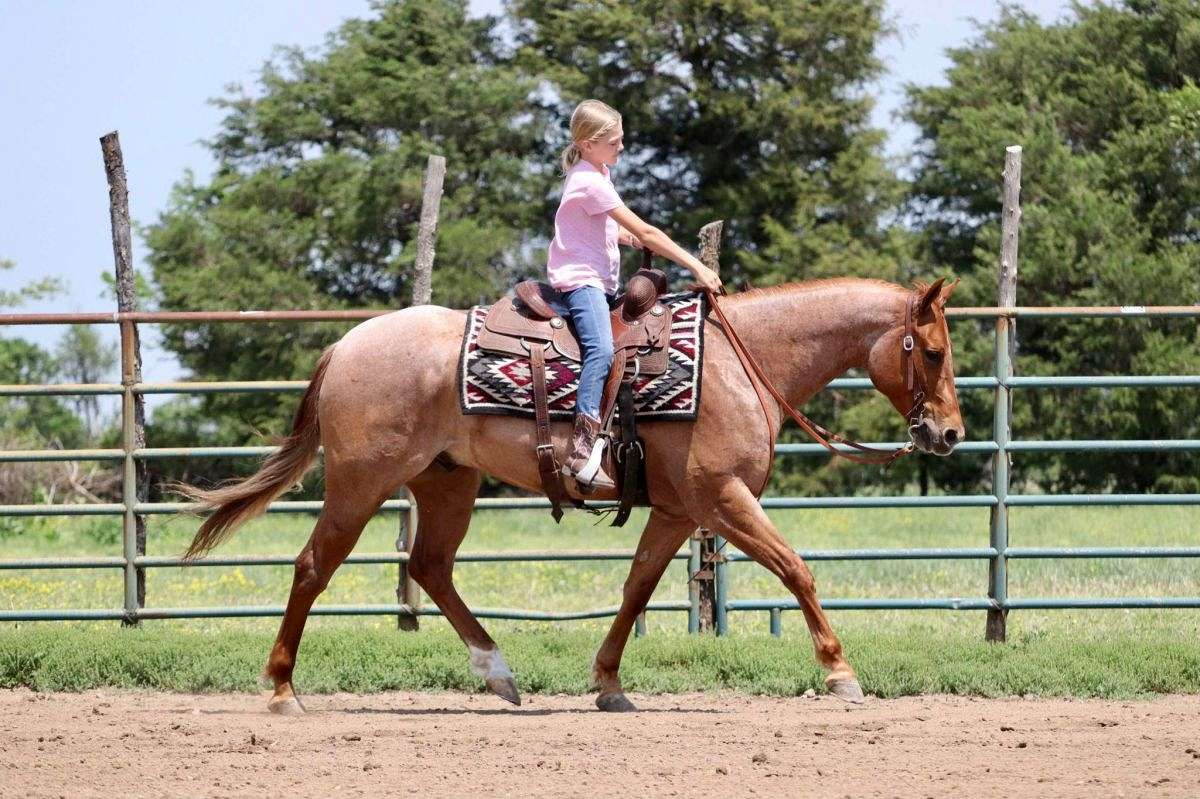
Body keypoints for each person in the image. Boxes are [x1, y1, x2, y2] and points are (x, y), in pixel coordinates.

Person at [547, 99, 723, 490]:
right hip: (581, 281)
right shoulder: (589, 181)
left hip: (598, 279)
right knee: (601, 350)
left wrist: (619, 238)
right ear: (589, 143)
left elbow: (599, 227)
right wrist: (695, 266)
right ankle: (581, 447)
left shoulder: (597, 170)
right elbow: (648, 232)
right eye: (614, 141)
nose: (621, 147)